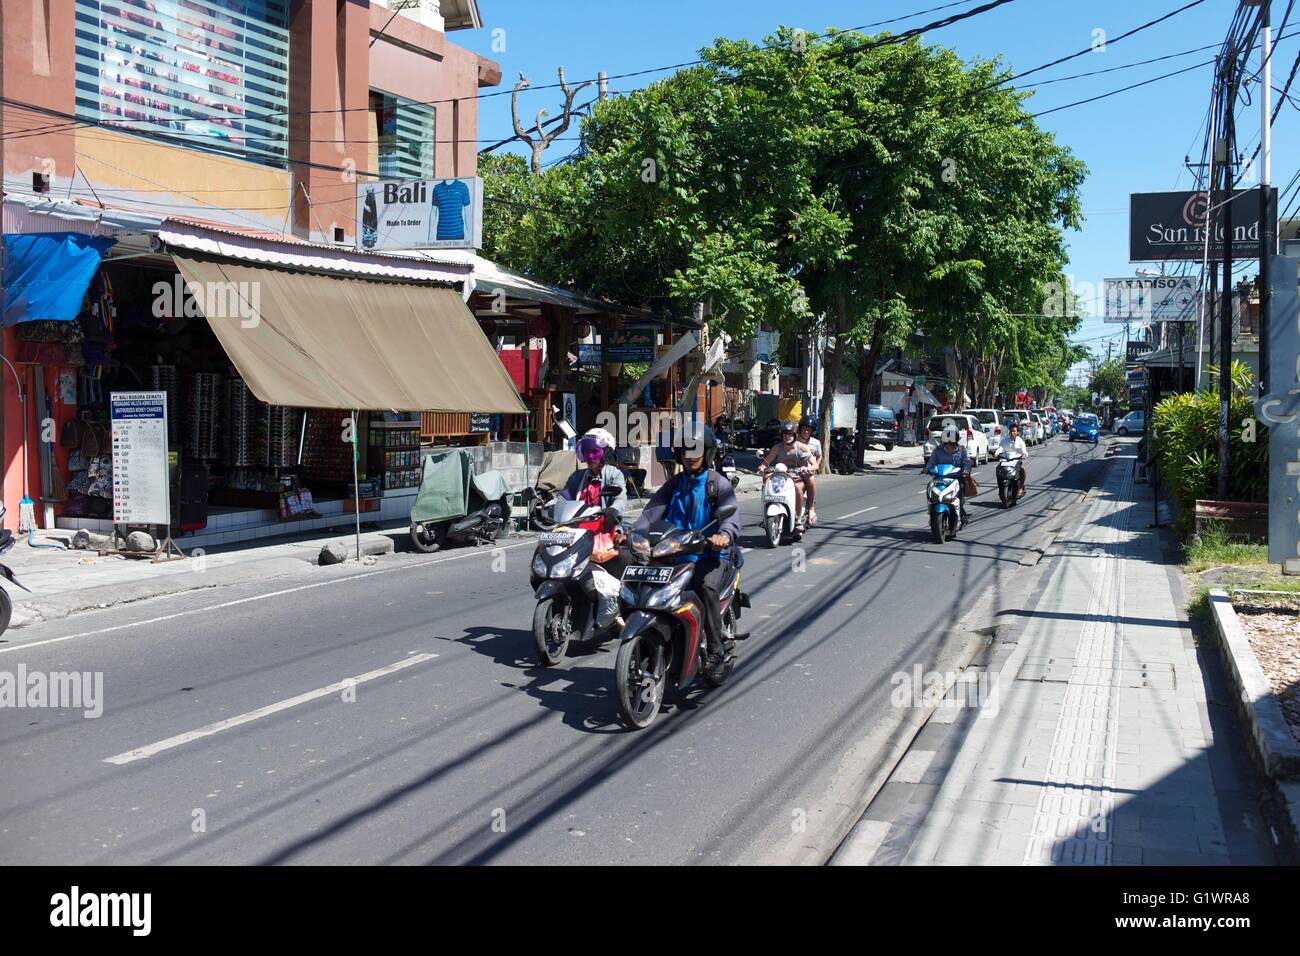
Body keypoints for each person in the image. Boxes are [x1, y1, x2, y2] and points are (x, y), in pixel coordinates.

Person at [634, 423, 742, 668]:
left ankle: (715, 650)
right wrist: (632, 533)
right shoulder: (673, 484)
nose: (690, 456)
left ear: (707, 453)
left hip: (708, 557)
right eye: (685, 451)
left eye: (696, 450)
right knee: (639, 582)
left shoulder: (717, 484)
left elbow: (731, 518)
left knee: (705, 587)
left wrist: (723, 535)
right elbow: (650, 514)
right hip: (672, 556)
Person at [557, 428, 628, 626]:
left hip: (606, 529)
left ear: (605, 454)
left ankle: (617, 601)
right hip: (577, 531)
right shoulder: (577, 477)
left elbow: (621, 498)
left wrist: (613, 510)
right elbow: (563, 497)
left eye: (594, 452)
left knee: (622, 556)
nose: (590, 457)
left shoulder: (614, 475)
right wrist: (547, 505)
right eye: (586, 452)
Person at [758, 419, 814, 527]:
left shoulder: (801, 447)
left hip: (797, 476)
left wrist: (807, 468)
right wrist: (762, 467)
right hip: (781, 476)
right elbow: (766, 461)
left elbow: (815, 464)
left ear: (794, 435)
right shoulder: (777, 447)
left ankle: (798, 518)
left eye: (789, 434)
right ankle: (765, 515)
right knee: (766, 478)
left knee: (798, 488)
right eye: (785, 434)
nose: (787, 437)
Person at [923, 422, 973, 528]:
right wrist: (926, 469)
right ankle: (931, 512)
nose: (949, 440)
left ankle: (959, 516)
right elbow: (931, 462)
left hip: (956, 479)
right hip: (940, 479)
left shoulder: (962, 450)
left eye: (951, 436)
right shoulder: (938, 450)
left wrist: (966, 471)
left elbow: (967, 462)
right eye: (947, 436)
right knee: (930, 491)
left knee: (960, 498)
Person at [796, 414, 822, 527]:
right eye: (805, 428)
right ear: (800, 428)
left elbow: (819, 456)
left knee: (811, 480)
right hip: (794, 471)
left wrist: (814, 468)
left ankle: (811, 508)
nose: (806, 431)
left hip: (808, 472)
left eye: (809, 429)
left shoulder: (815, 443)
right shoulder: (794, 440)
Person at [994, 419, 1029, 498]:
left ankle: (1020, 488)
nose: (1012, 433)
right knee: (997, 469)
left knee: (1023, 469)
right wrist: (996, 453)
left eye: (1014, 431)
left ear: (1017, 432)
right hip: (1006, 461)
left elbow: (1024, 450)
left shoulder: (1020, 441)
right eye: (1011, 431)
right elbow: (1000, 448)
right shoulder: (1005, 440)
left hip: (1016, 461)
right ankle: (1000, 488)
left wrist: (1025, 454)